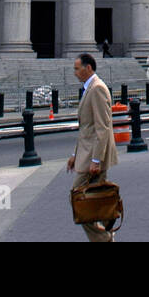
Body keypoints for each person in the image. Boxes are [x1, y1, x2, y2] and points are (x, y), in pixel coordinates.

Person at [66, 53, 119, 242]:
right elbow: (86, 129)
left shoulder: (97, 89)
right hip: (87, 156)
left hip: (94, 159)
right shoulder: (89, 89)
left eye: (77, 68)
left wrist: (96, 160)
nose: (75, 72)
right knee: (93, 203)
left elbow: (102, 128)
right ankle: (108, 231)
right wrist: (75, 154)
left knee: (81, 201)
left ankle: (105, 238)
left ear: (88, 68)